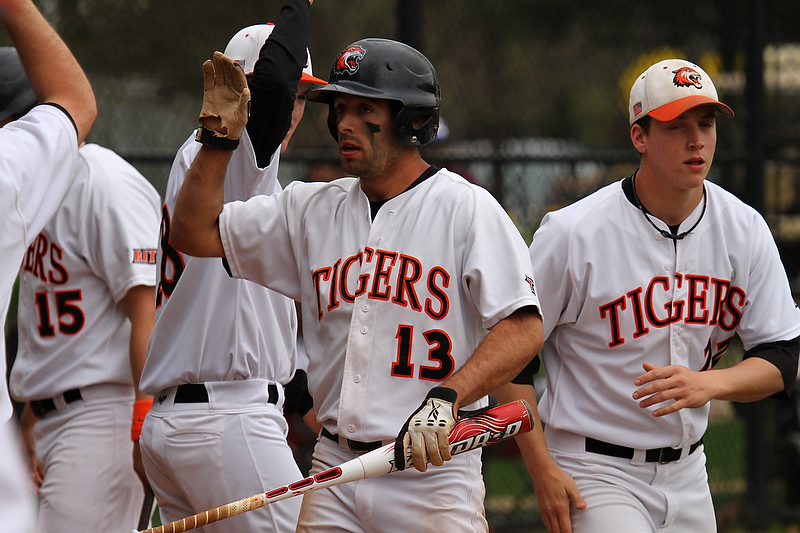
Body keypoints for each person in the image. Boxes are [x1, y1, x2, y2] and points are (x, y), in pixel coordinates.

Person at [168, 37, 545, 533]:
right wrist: (219, 141)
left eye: (364, 108)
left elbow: (523, 329)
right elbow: (191, 231)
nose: (343, 122)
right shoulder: (309, 208)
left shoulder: (466, 208)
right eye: (339, 107)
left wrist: (450, 396)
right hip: (335, 467)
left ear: (411, 119)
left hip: (433, 478)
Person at [501, 58, 800, 533]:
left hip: (689, 473)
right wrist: (541, 467)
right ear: (639, 136)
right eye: (676, 126)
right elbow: (511, 357)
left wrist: (710, 384)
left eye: (705, 124)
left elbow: (781, 359)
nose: (696, 140)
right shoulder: (574, 232)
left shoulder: (744, 229)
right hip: (595, 469)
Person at [137, 2, 325, 532]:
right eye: (290, 91)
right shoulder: (229, 153)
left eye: (304, 97)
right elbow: (269, 88)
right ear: (237, 91)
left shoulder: (213, 167)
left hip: (184, 422)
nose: (293, 106)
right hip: (227, 421)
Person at [3, 45, 161, 533]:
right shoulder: (25, 191)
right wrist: (30, 420)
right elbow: (49, 324)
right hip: (53, 417)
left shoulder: (102, 182)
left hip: (105, 414)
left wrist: (142, 426)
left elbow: (149, 312)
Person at [0, 1, 97, 532]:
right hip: (51, 409)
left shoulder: (104, 182)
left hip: (96, 409)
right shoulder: (10, 173)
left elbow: (140, 299)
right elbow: (74, 100)